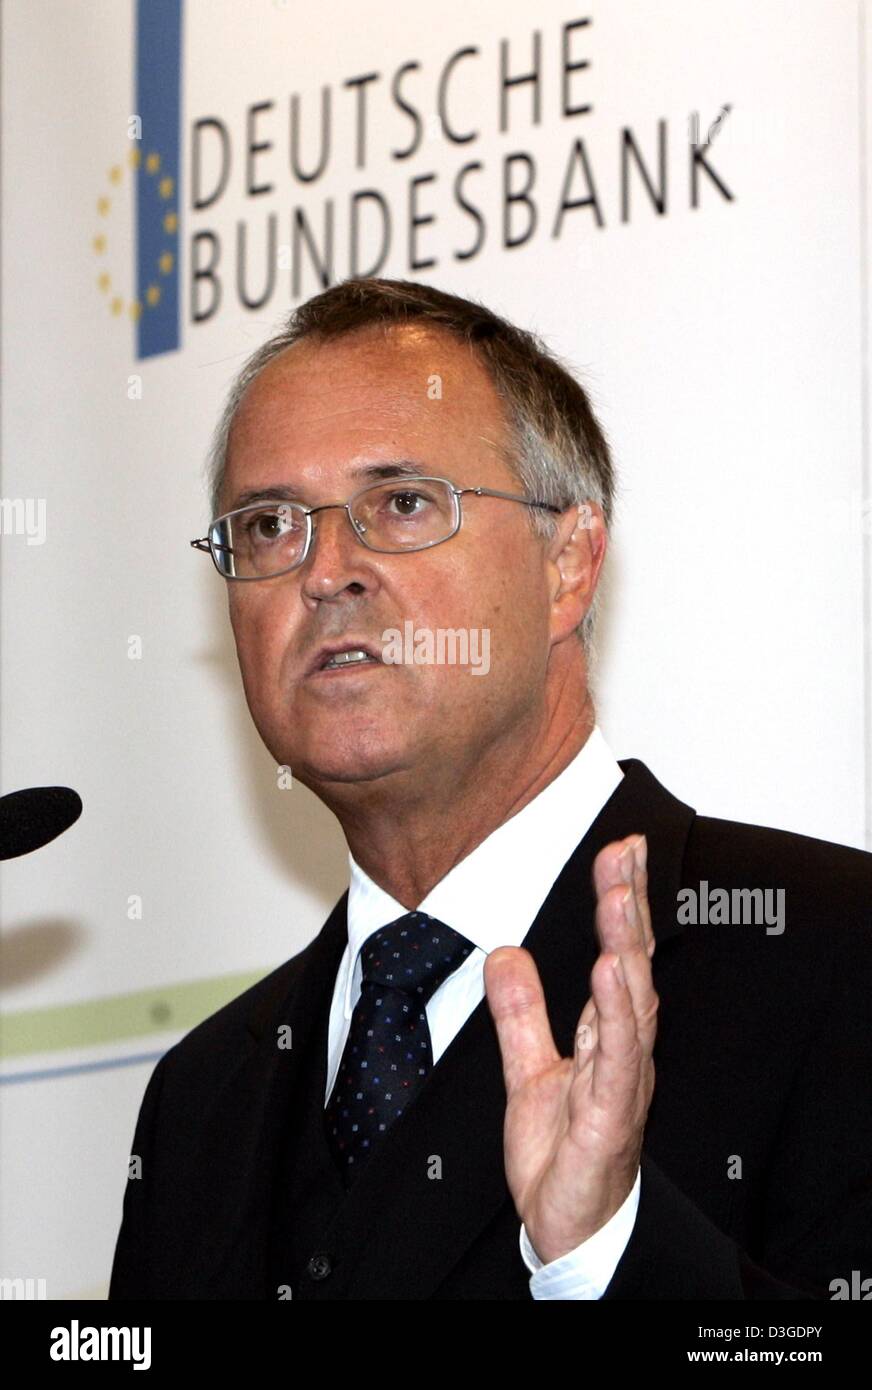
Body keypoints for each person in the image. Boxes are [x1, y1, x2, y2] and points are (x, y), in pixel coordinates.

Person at [109, 277, 872, 1300]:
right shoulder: (201, 1096)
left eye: (402, 503)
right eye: (267, 525)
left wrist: (604, 1251)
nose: (325, 570)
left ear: (568, 562)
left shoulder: (829, 955)